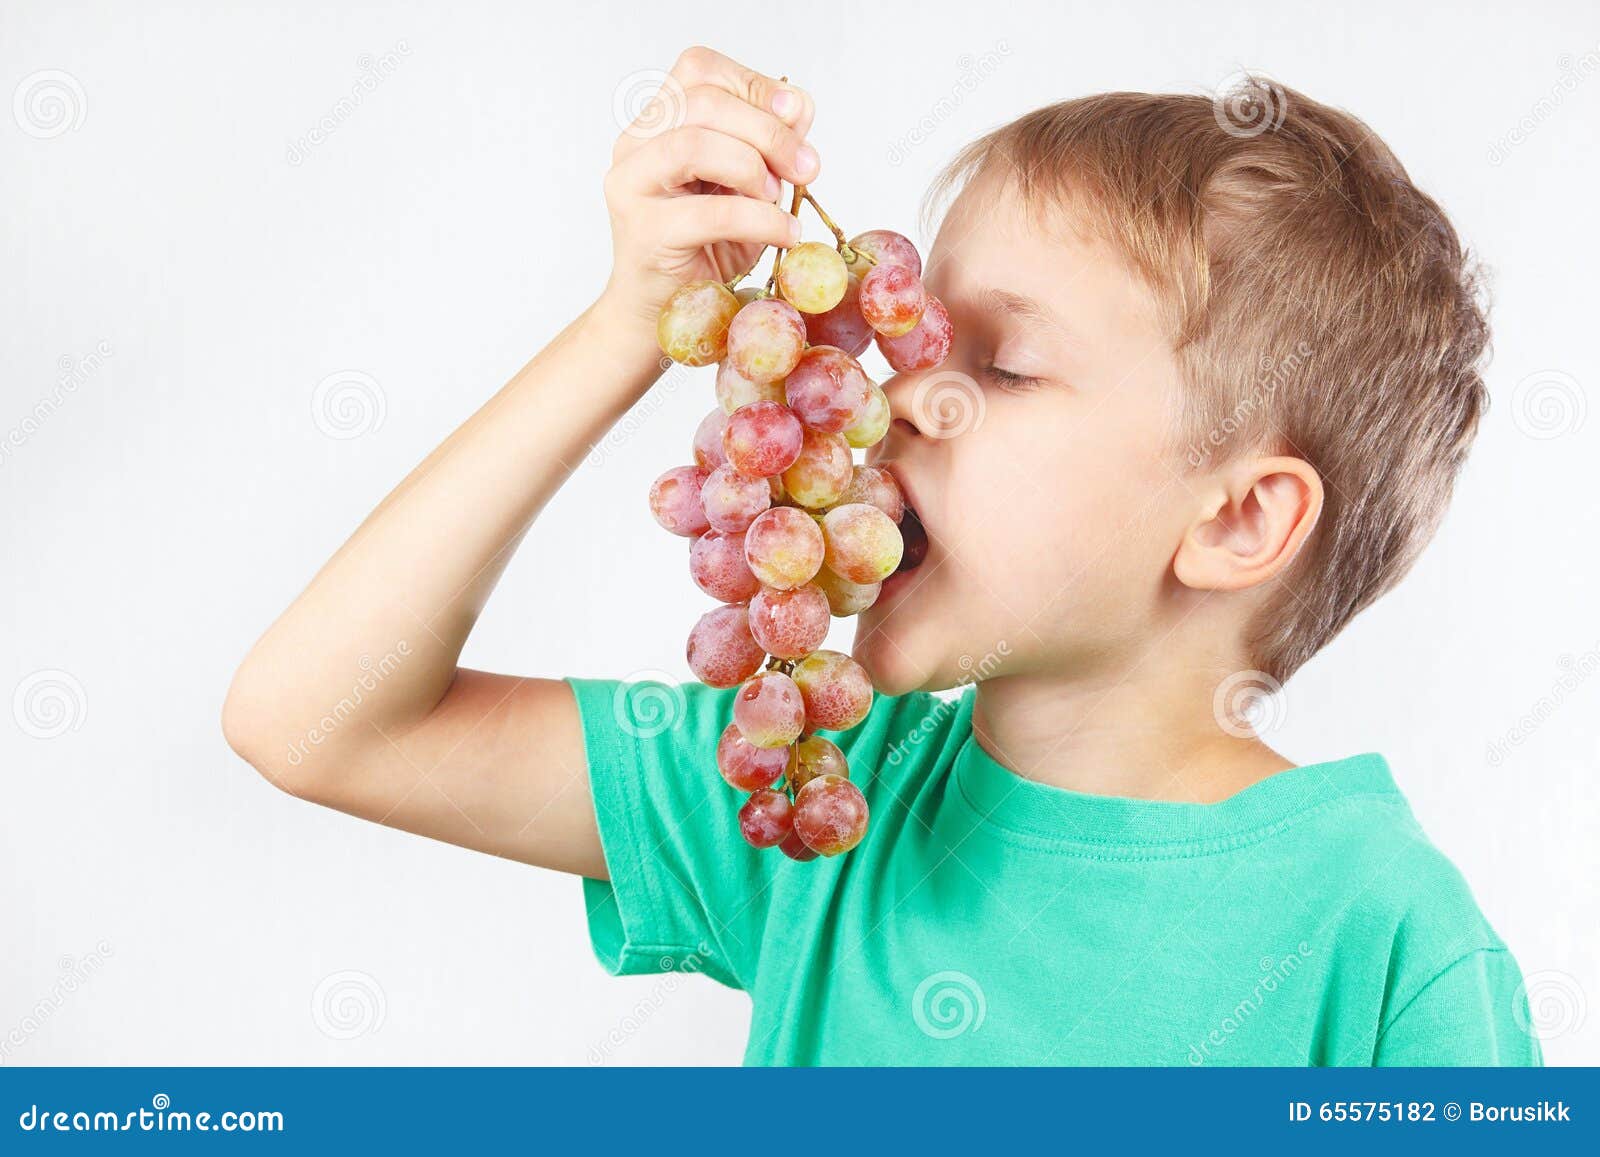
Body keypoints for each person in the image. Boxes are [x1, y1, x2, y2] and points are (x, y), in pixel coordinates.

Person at [223, 46, 1539, 1065]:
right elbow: (317, 721)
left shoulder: (1385, 941)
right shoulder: (809, 798)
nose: (895, 400)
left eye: (1002, 368)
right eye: (909, 344)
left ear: (1238, 519)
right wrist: (632, 324)